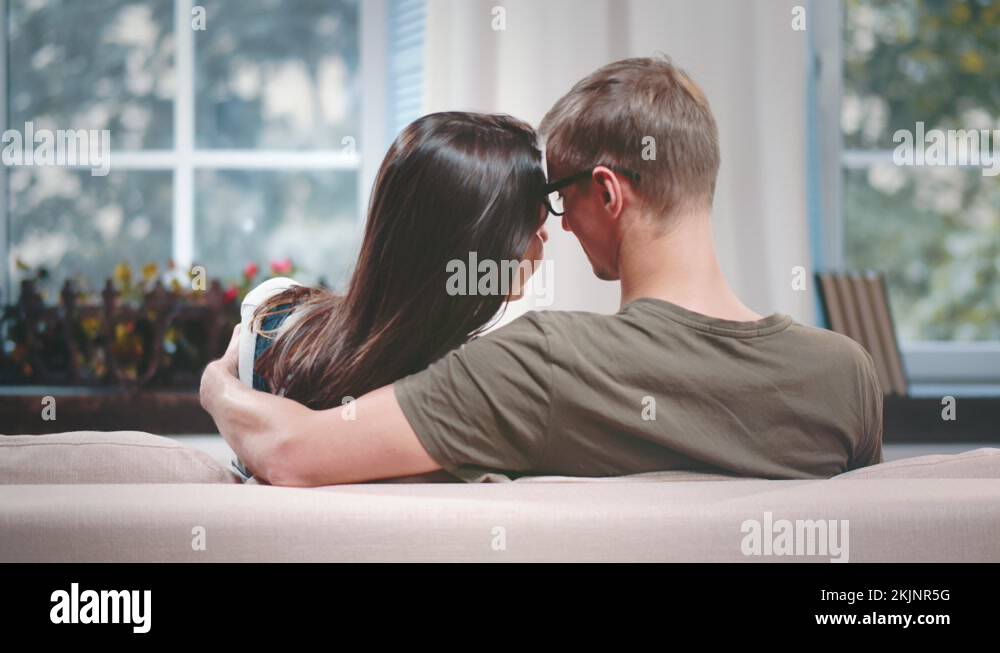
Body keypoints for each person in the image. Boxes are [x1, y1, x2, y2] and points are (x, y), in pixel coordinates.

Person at [200, 56, 883, 487]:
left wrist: (216, 383)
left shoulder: (542, 363)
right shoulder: (846, 376)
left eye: (559, 197)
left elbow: (291, 452)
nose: (553, 224)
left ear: (609, 193)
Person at [226, 111, 550, 479]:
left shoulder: (274, 320)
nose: (544, 239)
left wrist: (216, 382)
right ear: (477, 245)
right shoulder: (476, 400)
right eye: (533, 224)